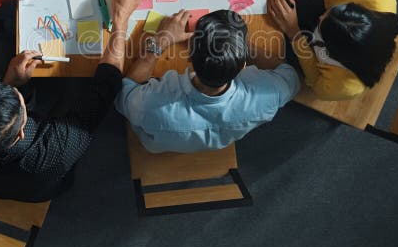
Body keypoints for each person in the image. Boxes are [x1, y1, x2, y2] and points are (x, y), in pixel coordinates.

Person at [0, 0, 143, 202]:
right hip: (40, 185)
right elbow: (107, 84)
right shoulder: (57, 150)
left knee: (2, 43)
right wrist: (121, 19)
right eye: (19, 99)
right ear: (22, 130)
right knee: (76, 85)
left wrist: (9, 81)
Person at [116, 10, 300, 153]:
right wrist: (233, 46)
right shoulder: (268, 95)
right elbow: (290, 75)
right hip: (216, 139)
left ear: (189, 55)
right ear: (244, 64)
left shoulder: (151, 105)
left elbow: (124, 92)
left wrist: (161, 40)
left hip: (157, 138)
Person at [263, 0, 398, 101]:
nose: (321, 17)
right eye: (334, 10)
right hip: (323, 4)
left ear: (330, 52)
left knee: (265, 42)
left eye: (320, 29)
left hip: (307, 51)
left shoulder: (342, 87)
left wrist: (294, 33)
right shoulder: (380, 0)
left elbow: (315, 80)